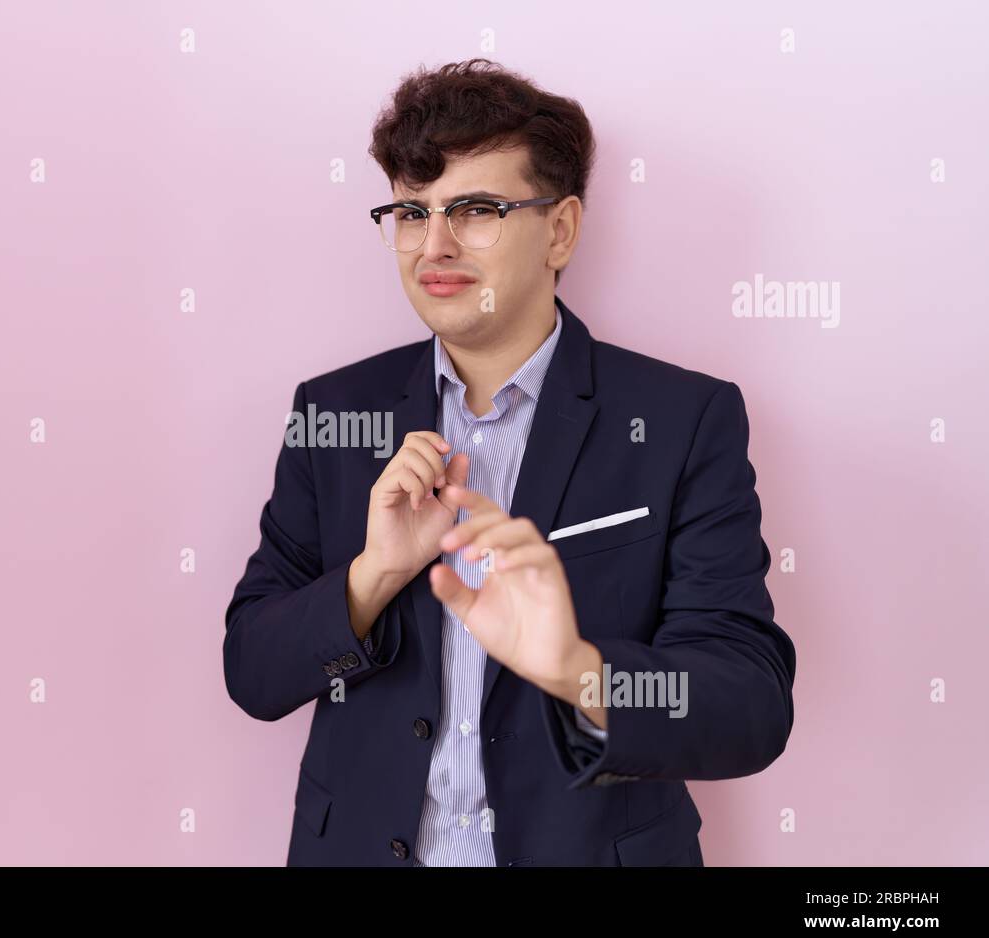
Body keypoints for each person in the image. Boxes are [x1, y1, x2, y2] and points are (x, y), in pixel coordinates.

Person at [223, 59, 795, 866]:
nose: (435, 245)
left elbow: (749, 706)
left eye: (477, 209)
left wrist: (578, 671)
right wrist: (373, 576)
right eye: (411, 212)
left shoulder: (681, 420)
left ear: (560, 229)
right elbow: (252, 668)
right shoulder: (335, 413)